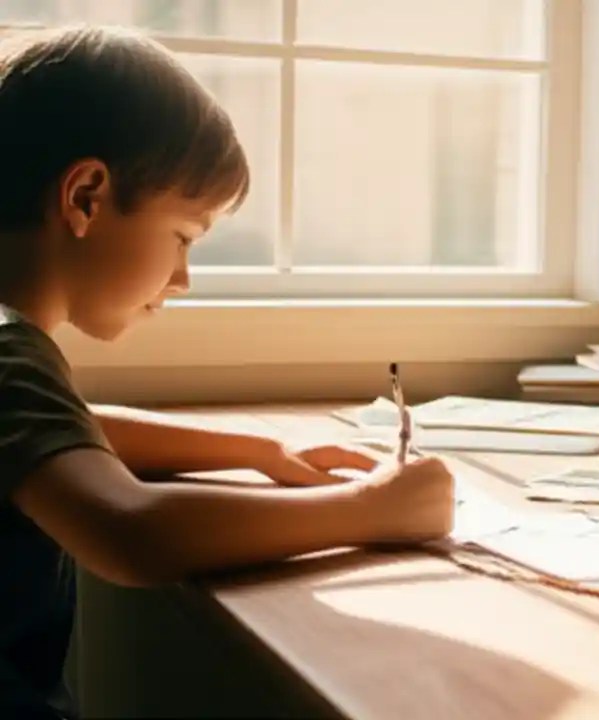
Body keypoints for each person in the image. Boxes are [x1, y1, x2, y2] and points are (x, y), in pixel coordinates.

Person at [0, 26, 455, 719]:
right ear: (86, 197)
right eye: (183, 236)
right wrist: (369, 512)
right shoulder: (11, 354)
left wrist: (262, 450)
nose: (182, 278)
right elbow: (132, 531)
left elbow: (67, 433)